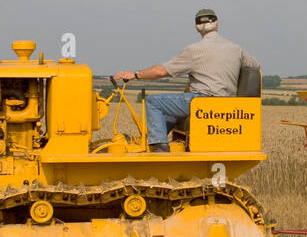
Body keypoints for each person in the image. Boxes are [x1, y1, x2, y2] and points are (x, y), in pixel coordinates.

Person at [111, 8, 259, 152]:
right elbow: (254, 65)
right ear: (217, 23)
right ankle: (153, 140)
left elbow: (162, 71)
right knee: (170, 111)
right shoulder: (236, 48)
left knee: (153, 102)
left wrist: (135, 74)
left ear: (196, 27)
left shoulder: (194, 50)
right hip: (228, 104)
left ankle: (159, 147)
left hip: (202, 102)